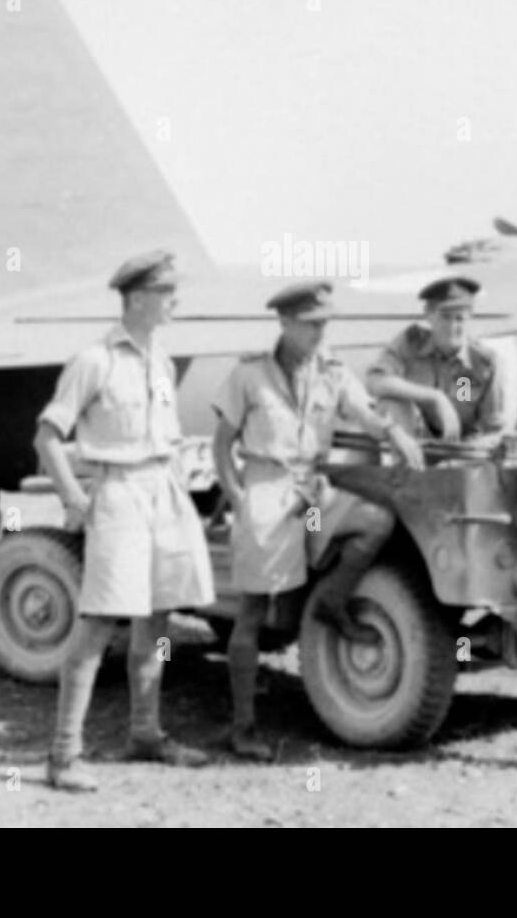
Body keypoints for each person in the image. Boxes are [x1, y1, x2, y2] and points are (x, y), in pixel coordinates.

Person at [211, 281, 425, 761]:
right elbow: (221, 444)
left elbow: (367, 414)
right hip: (267, 488)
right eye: (311, 325)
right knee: (257, 610)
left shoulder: (332, 371)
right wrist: (238, 498)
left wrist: (394, 434)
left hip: (315, 489)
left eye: (325, 324)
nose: (319, 333)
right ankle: (243, 727)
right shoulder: (250, 375)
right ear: (284, 324)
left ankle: (330, 602)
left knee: (374, 518)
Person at [35, 250, 216, 791]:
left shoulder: (160, 358)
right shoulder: (95, 360)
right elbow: (46, 437)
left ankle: (145, 734)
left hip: (163, 489)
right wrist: (74, 497)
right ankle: (63, 756)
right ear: (136, 298)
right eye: (165, 294)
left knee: (157, 618)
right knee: (98, 624)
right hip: (117, 494)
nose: (174, 303)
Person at [364, 276, 507, 442]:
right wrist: (434, 397)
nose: (453, 327)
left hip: (462, 448)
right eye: (445, 317)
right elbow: (375, 380)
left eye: (459, 318)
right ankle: (407, 467)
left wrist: (462, 457)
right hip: (416, 441)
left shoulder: (483, 363)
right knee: (392, 404)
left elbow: (493, 431)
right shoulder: (411, 343)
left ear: (470, 316)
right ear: (428, 315)